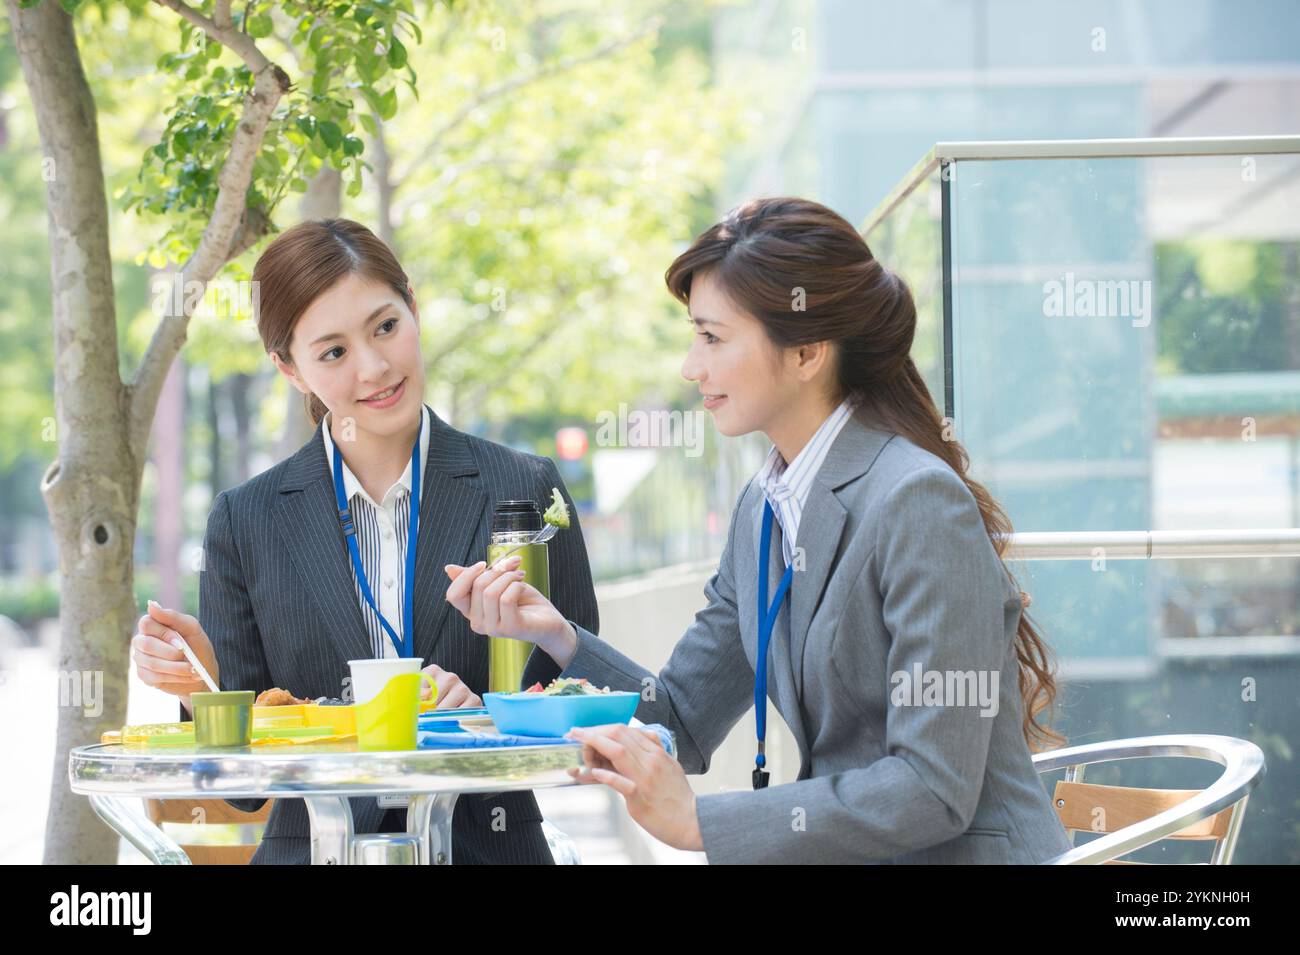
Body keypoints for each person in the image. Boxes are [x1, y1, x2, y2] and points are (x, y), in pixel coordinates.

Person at [446, 197, 1074, 864]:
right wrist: (555, 633)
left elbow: (932, 788)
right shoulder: (765, 506)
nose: (693, 366)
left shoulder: (916, 501)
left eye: (712, 337)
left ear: (806, 350)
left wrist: (702, 824)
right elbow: (680, 718)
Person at [131, 219, 599, 864]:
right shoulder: (247, 519)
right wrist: (201, 692)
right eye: (333, 352)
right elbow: (239, 794)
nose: (375, 367)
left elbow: (582, 708)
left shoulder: (521, 490)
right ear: (289, 368)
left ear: (414, 306)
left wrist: (488, 718)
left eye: (385, 327)